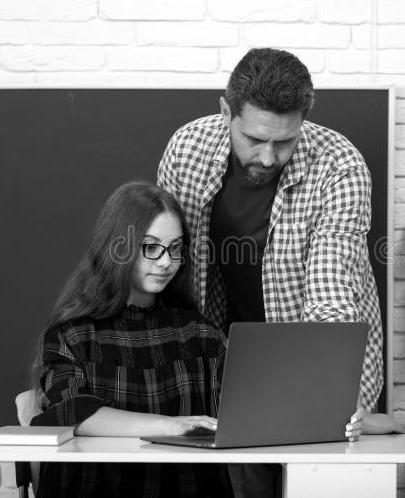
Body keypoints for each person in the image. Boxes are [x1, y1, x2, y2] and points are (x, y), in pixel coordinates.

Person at [157, 47, 386, 495]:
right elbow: (171, 270)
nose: (267, 157)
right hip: (227, 345)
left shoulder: (339, 166)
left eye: (285, 142)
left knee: (317, 471)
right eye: (255, 139)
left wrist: (327, 398)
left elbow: (331, 295)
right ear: (226, 112)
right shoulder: (187, 150)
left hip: (320, 343)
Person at [29, 181, 234, 498]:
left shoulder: (202, 333)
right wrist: (172, 426)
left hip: (186, 488)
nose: (166, 262)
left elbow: (245, 409)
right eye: (151, 247)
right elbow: (72, 412)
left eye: (176, 248)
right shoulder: (72, 332)